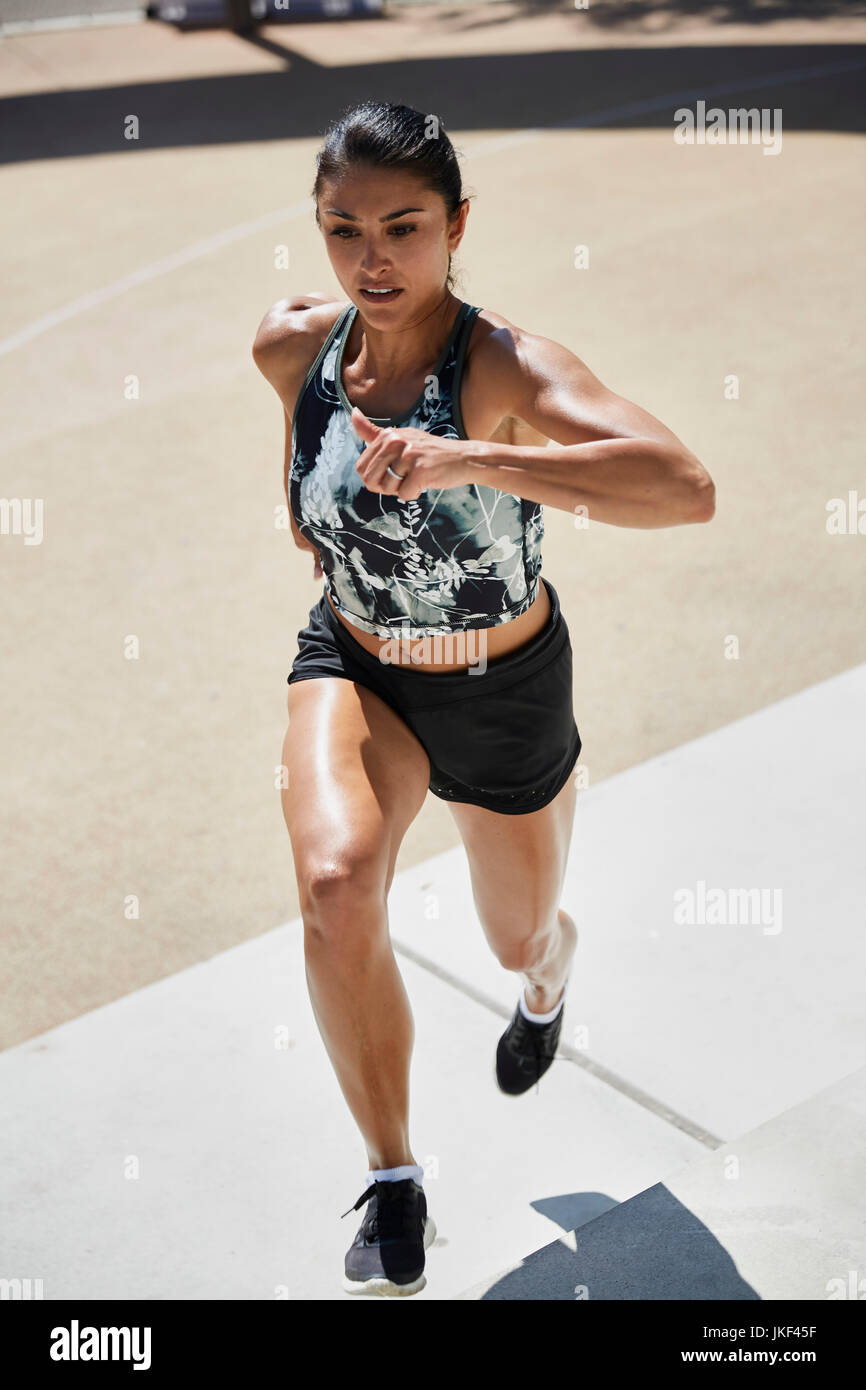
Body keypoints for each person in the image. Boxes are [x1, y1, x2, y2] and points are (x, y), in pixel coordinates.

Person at [252, 100, 715, 1297]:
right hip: (356, 668)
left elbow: (680, 486)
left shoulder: (503, 362)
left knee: (518, 931)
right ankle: (394, 1177)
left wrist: (473, 455)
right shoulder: (290, 349)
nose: (372, 259)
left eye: (403, 227)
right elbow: (310, 470)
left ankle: (549, 977)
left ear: (457, 225)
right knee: (334, 882)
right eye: (343, 228)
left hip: (501, 688)